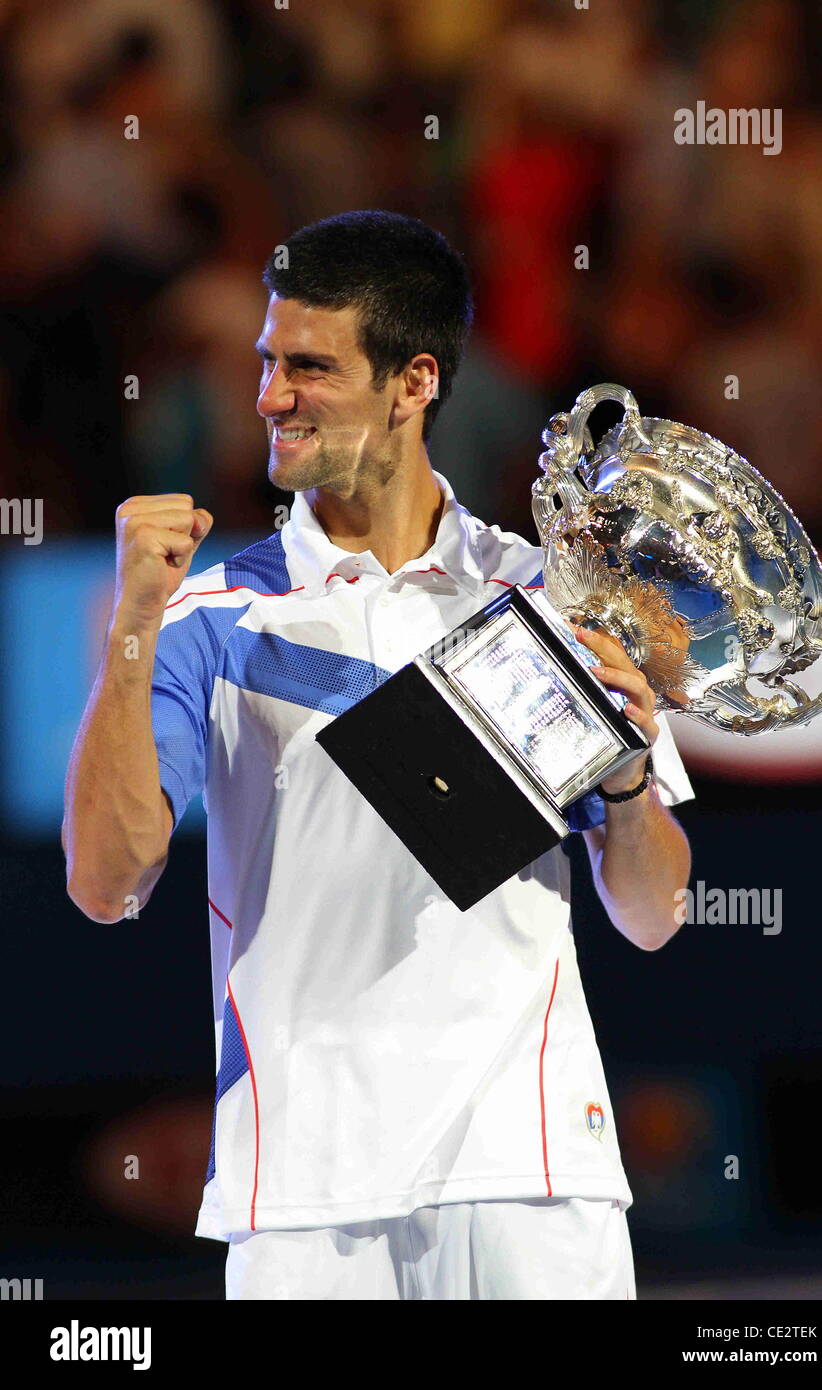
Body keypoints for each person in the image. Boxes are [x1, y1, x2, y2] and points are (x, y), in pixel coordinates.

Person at [62, 210, 694, 1301]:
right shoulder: (207, 617)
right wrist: (132, 628)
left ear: (414, 382)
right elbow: (104, 882)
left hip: (528, 1166)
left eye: (308, 368)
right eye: (268, 363)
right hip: (302, 1191)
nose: (268, 397)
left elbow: (650, 915)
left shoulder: (553, 598)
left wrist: (630, 780)